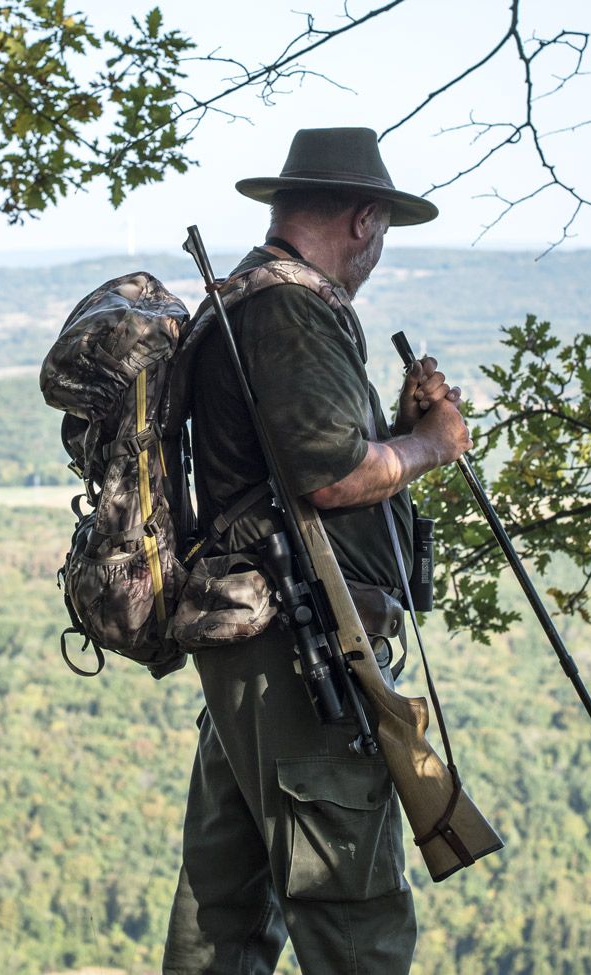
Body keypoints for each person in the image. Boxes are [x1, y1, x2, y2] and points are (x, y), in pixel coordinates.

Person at [162, 127, 473, 974]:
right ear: (366, 219)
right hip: (300, 662)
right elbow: (332, 477)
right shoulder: (291, 313)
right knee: (352, 916)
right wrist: (436, 444)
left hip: (256, 650)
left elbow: (304, 463)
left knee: (225, 907)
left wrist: (397, 434)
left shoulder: (254, 299)